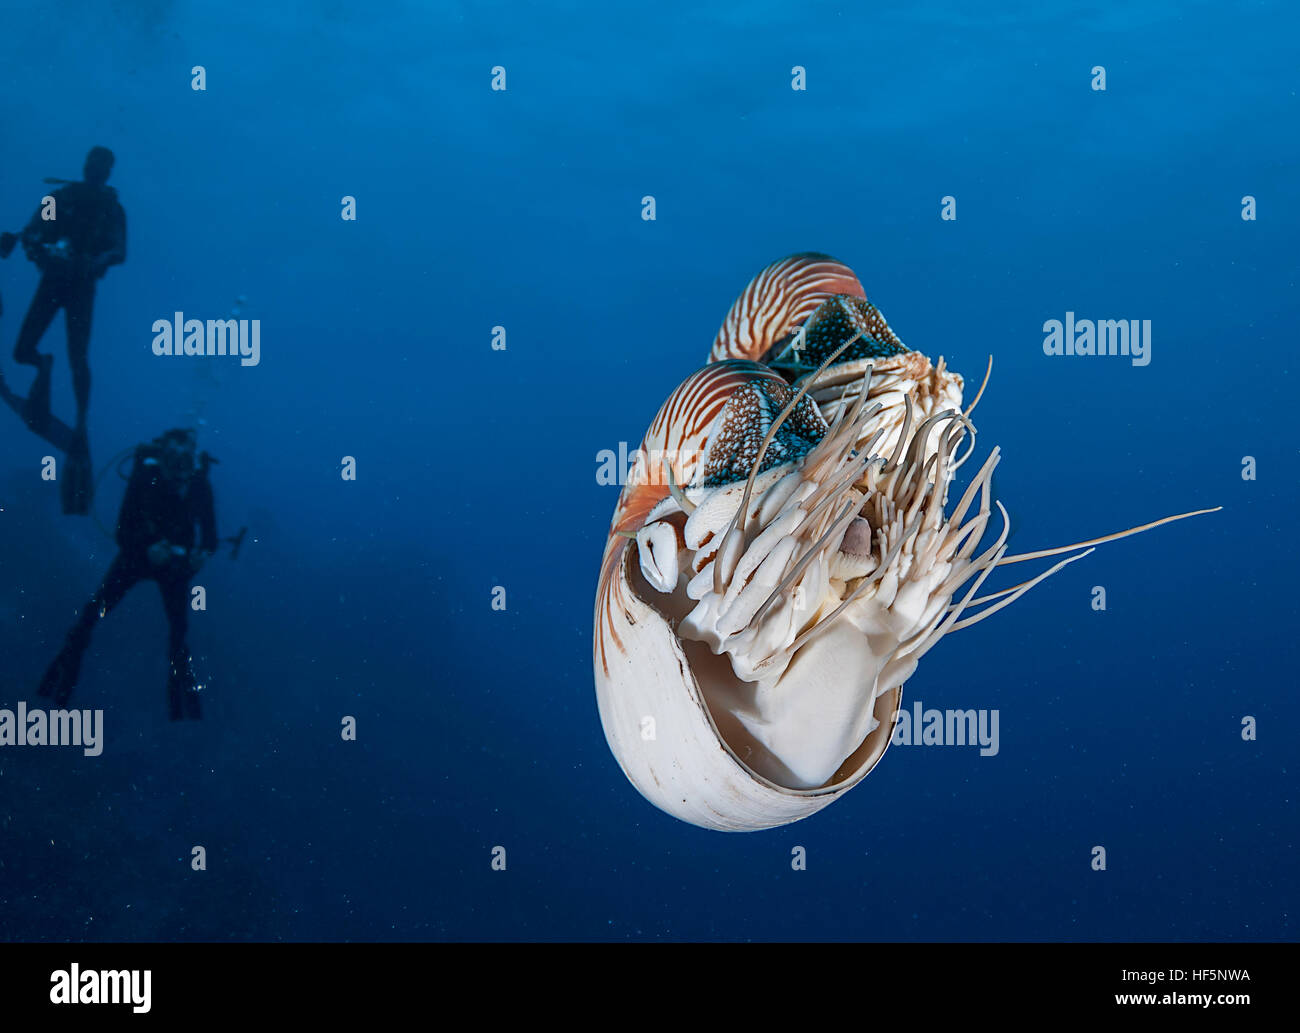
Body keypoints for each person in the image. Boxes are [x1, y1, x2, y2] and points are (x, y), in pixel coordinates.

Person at [38, 428, 217, 721]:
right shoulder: (146, 477)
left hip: (174, 564)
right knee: (93, 613)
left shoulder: (200, 485)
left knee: (178, 631)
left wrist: (201, 556)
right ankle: (63, 674)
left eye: (186, 461)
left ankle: (180, 695)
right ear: (162, 457)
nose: (179, 470)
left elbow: (210, 538)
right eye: (173, 459)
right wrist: (147, 549)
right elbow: (123, 531)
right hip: (137, 557)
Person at [3, 146, 126, 512]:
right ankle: (44, 367)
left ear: (106, 172)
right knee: (23, 352)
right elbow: (34, 230)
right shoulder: (61, 197)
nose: (96, 169)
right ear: (88, 166)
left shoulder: (109, 208)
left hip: (79, 286)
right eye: (94, 163)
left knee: (78, 358)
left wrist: (90, 260)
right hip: (56, 280)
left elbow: (119, 251)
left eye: (102, 166)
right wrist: (31, 245)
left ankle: (82, 421)